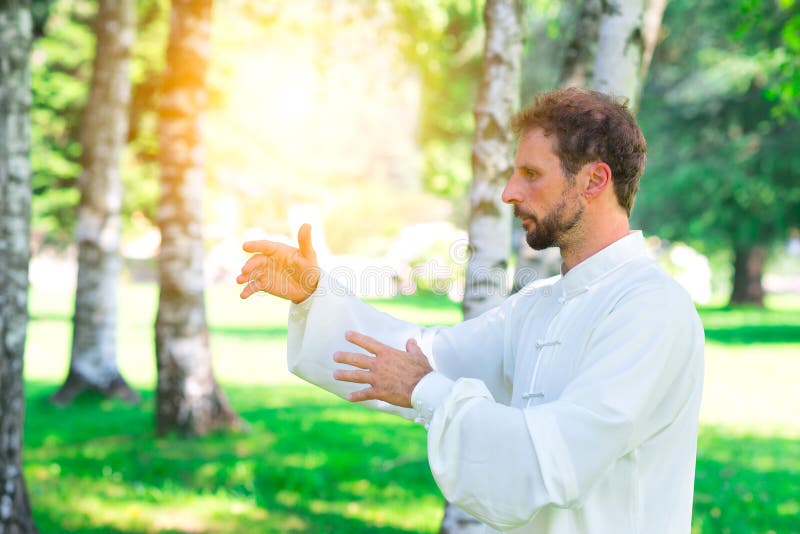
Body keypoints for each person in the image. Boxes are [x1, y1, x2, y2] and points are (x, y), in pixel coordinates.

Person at [236, 88, 705, 533]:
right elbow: (423, 357)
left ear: (594, 181)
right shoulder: (539, 304)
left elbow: (556, 461)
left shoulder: (651, 308)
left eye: (531, 174)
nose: (509, 192)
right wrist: (315, 296)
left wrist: (425, 391)